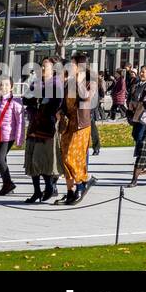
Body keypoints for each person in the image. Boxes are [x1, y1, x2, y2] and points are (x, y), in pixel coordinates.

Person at [57, 54, 97, 205]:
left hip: (81, 125)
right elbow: (64, 102)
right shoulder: (69, 82)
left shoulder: (89, 81)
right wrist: (60, 111)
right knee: (65, 157)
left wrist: (79, 81)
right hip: (69, 124)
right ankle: (70, 192)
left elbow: (87, 98)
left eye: (72, 64)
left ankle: (82, 184)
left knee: (73, 157)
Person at [23, 58, 64, 204]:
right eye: (41, 66)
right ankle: (36, 191)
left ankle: (48, 186)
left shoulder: (56, 83)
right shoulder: (36, 83)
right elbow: (26, 99)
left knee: (42, 157)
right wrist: (36, 100)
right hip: (35, 123)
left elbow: (57, 103)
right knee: (31, 156)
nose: (42, 69)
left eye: (45, 67)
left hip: (47, 124)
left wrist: (43, 104)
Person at [0, 76, 25, 196]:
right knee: (3, 159)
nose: (4, 87)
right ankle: (7, 186)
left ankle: (8, 184)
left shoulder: (15, 102)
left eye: (7, 85)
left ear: (12, 87)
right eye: (2, 85)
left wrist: (19, 138)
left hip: (8, 136)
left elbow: (20, 122)